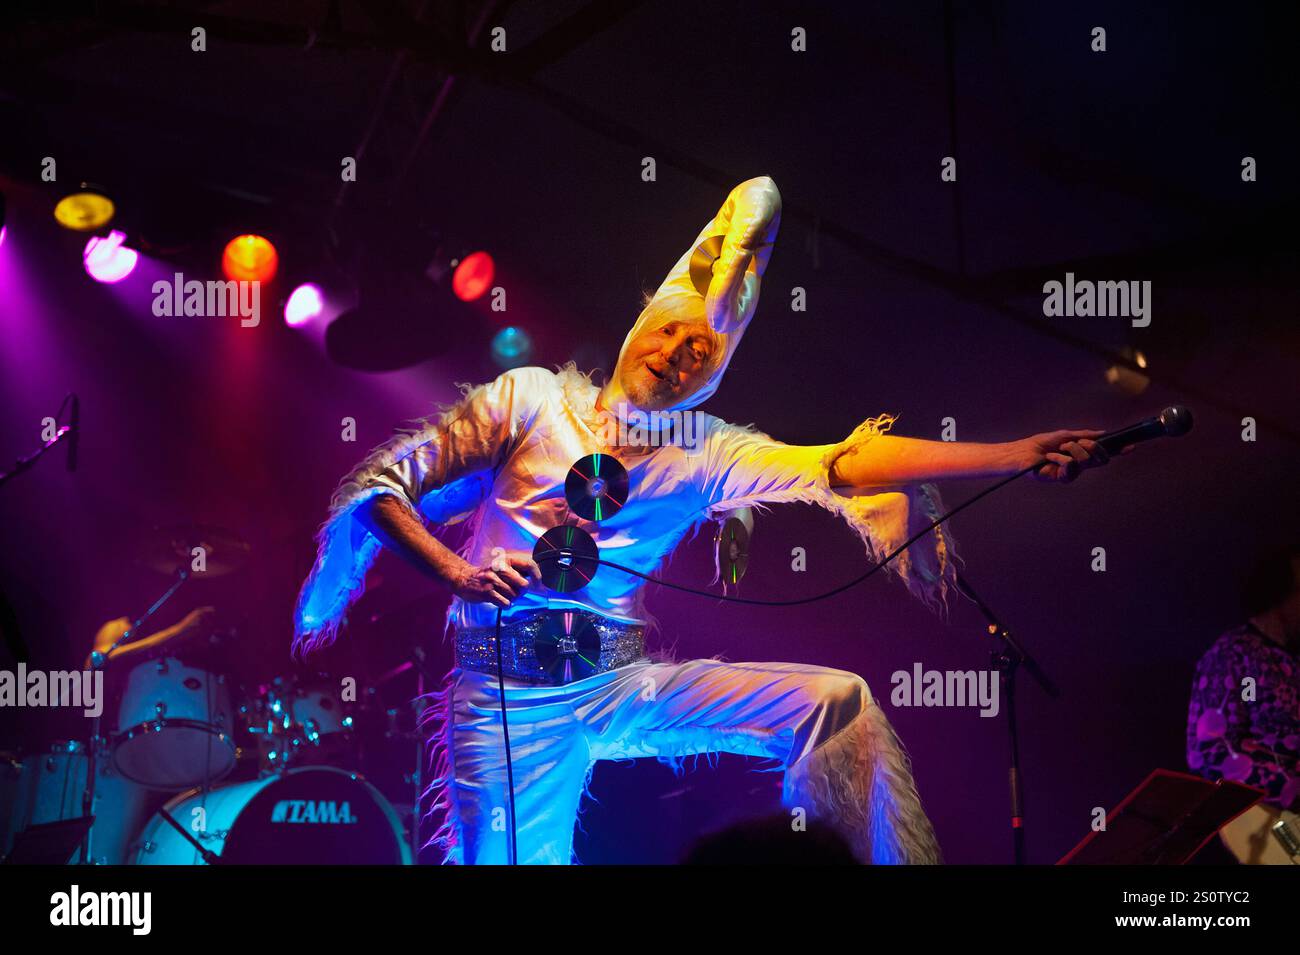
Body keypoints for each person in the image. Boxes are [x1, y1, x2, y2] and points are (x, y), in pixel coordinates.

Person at [293, 176, 1119, 864]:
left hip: (616, 684)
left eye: (702, 355)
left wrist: (1010, 452)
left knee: (835, 700)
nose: (679, 354)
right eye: (672, 333)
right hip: (507, 704)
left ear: (710, 378)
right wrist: (460, 572)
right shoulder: (530, 397)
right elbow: (380, 490)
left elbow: (838, 461)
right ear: (642, 326)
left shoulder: (705, 447)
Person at [1187, 546, 1300, 812]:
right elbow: (1210, 753)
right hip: (1265, 820)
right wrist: (1289, 788)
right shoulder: (1233, 654)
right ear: (1280, 596)